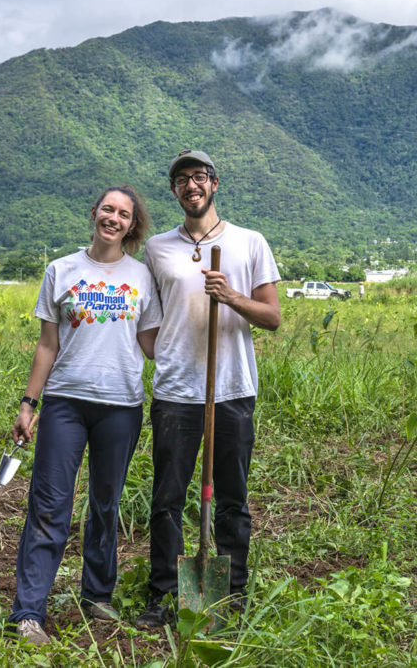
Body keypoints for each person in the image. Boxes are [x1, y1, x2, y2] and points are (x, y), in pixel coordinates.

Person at [7, 185, 161, 645]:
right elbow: (47, 344)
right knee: (50, 505)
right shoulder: (62, 270)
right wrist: (28, 403)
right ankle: (29, 612)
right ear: (94, 213)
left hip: (121, 406)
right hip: (65, 405)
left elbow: (152, 344)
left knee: (105, 504)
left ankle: (97, 596)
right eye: (108, 209)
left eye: (124, 214)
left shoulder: (142, 276)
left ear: (133, 226)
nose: (114, 218)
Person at [136, 150, 281, 629]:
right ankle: (164, 593)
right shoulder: (157, 249)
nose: (190, 185)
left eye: (198, 177)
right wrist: (168, 350)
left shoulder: (249, 242)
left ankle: (232, 592)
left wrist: (231, 296)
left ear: (215, 183)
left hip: (233, 388)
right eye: (181, 179)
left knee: (232, 495)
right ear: (174, 191)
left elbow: (272, 317)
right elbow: (150, 317)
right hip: (177, 390)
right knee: (167, 498)